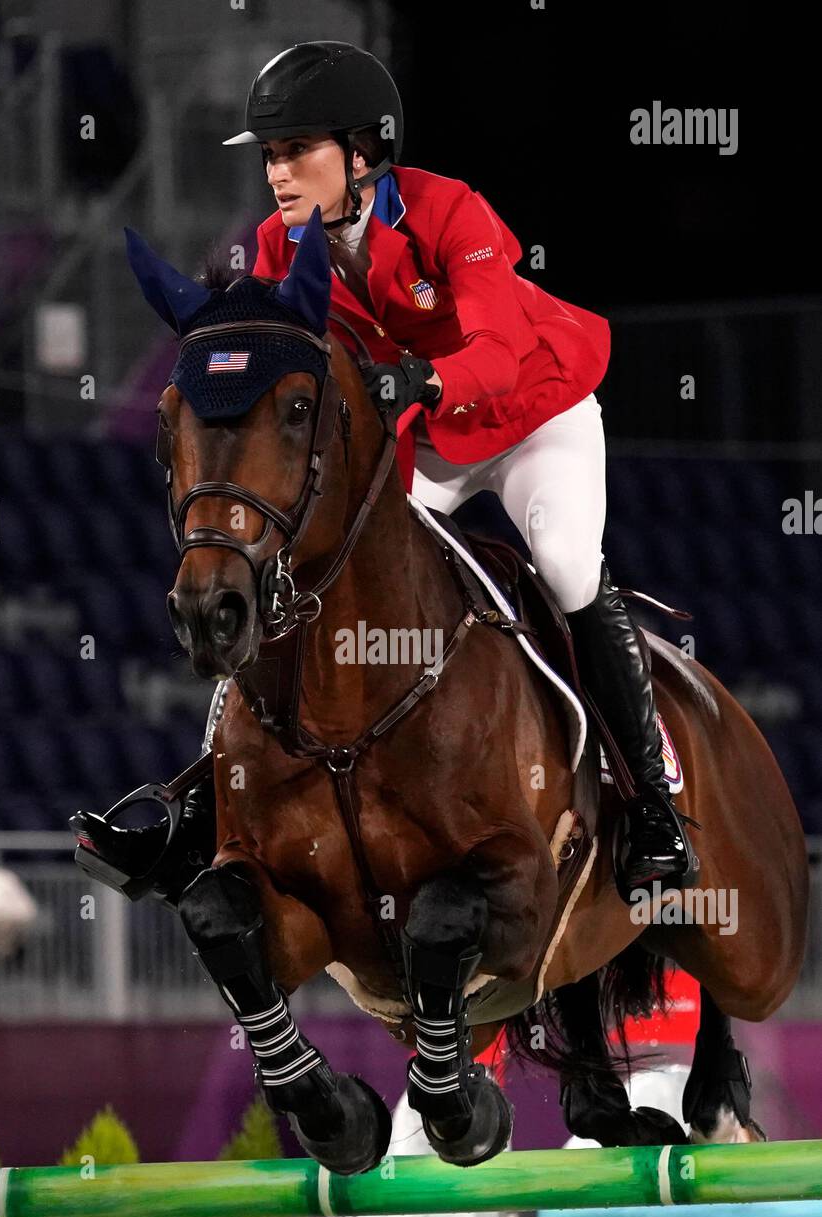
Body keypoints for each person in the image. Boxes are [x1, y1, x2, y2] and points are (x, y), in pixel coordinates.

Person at [73, 40, 693, 906]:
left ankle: (655, 800)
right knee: (308, 572)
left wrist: (424, 379)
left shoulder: (451, 213)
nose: (277, 173)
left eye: (295, 152)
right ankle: (196, 813)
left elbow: (500, 351)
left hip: (532, 414)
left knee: (562, 564)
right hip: (425, 434)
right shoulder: (276, 244)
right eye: (269, 156)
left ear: (362, 152)